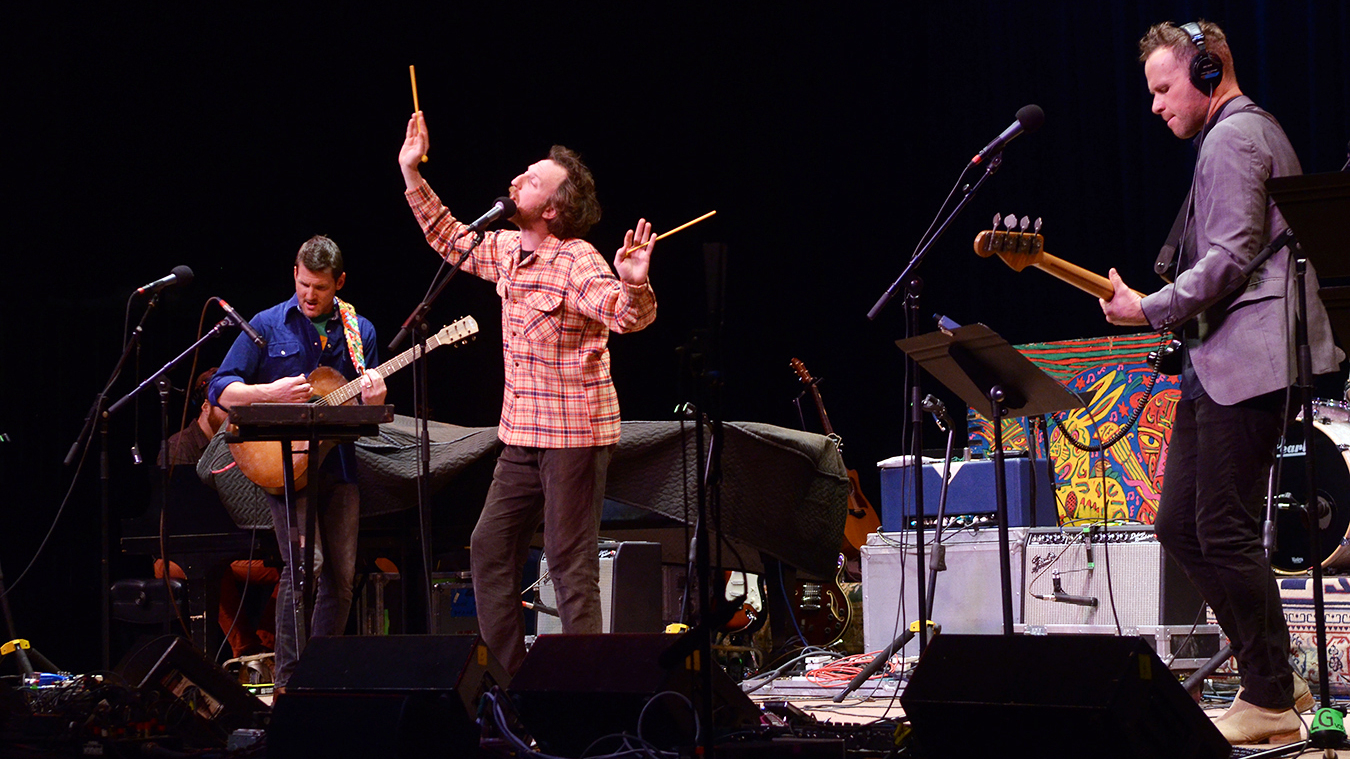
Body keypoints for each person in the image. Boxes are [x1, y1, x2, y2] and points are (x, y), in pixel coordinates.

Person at [1101, 20, 1342, 744]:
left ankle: (1269, 695)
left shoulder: (1235, 137)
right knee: (1179, 522)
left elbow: (1232, 255)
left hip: (1250, 362)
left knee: (1223, 527)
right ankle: (1277, 673)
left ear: (1207, 74)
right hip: (1221, 360)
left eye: (1164, 87)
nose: (1155, 105)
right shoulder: (1234, 136)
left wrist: (1149, 306)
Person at [398, 112, 657, 674]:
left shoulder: (576, 260)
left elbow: (621, 314)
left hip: (574, 439)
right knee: (489, 548)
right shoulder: (508, 249)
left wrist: (634, 285)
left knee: (569, 565)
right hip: (521, 436)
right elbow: (452, 240)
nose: (517, 181)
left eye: (532, 181)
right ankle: (518, 687)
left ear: (552, 209)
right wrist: (411, 172)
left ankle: (582, 692)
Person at [207, 236, 387, 691]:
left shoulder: (359, 330)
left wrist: (375, 398)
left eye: (321, 288)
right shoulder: (266, 326)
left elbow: (370, 412)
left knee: (342, 578)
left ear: (339, 283)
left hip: (339, 467)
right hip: (283, 469)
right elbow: (221, 389)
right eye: (305, 284)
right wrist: (269, 392)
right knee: (306, 566)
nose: (310, 295)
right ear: (295, 274)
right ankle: (289, 681)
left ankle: (320, 678)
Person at [162, 367, 280, 663]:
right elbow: (177, 515)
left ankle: (268, 645)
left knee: (298, 566)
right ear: (206, 407)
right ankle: (246, 650)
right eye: (225, 406)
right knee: (204, 567)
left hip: (242, 548)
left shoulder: (243, 442)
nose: (233, 414)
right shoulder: (179, 447)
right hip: (189, 551)